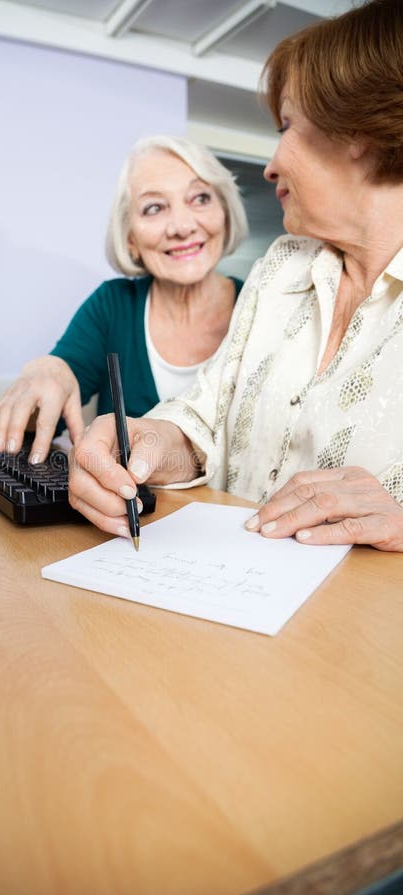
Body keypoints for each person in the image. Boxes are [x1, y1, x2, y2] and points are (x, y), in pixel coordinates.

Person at [68, 0, 403, 553]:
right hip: (231, 597)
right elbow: (203, 422)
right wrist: (150, 439)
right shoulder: (280, 267)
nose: (270, 165)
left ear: (357, 129)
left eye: (287, 126)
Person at [0, 135, 248, 463]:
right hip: (125, 512)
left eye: (200, 198)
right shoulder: (113, 305)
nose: (181, 226)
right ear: (131, 238)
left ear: (225, 213)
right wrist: (48, 373)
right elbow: (45, 416)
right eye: (154, 208)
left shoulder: (261, 304)